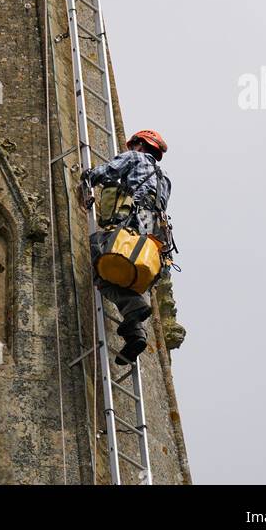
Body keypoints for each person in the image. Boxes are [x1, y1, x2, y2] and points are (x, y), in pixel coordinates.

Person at [80, 129, 172, 367]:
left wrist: (87, 176)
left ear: (140, 145)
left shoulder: (134, 158)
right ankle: (135, 334)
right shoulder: (165, 180)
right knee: (125, 279)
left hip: (131, 227)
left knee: (99, 260)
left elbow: (108, 171)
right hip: (152, 244)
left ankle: (135, 309)